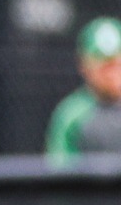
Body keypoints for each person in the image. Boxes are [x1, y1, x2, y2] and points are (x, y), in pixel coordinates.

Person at [46, 16, 121, 163]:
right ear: (85, 66)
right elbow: (60, 170)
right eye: (104, 65)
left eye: (116, 63)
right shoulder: (71, 115)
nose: (112, 73)